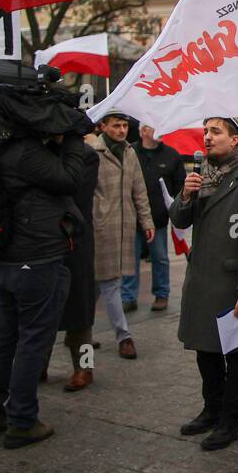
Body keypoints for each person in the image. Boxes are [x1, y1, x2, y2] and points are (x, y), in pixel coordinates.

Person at [0, 126, 91, 448]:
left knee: (2, 339)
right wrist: (74, 137)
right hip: (36, 258)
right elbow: (71, 178)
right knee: (32, 340)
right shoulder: (28, 153)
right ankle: (22, 420)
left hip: (5, 256)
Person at [170, 117, 238, 451]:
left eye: (215, 132)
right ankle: (211, 409)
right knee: (205, 350)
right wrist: (185, 196)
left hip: (233, 283)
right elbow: (178, 219)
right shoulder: (200, 177)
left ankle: (231, 421)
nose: (207, 138)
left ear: (235, 139)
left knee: (237, 355)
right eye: (206, 132)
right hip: (202, 279)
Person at [89, 113, 154, 359]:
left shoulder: (130, 152)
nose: (122, 130)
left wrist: (145, 221)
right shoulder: (93, 152)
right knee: (108, 282)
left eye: (125, 125)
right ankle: (123, 336)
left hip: (124, 227)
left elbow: (139, 190)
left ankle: (78, 331)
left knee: (101, 282)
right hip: (100, 228)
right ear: (103, 126)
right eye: (116, 125)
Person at [123, 123, 185, 312]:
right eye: (155, 127)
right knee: (129, 259)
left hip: (158, 218)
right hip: (132, 218)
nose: (161, 131)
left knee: (160, 258)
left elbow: (179, 186)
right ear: (143, 131)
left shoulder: (171, 155)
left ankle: (161, 294)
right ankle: (128, 297)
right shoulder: (129, 152)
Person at [56, 140, 100, 392]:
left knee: (80, 310)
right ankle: (38, 363)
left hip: (75, 239)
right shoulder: (35, 149)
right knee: (40, 311)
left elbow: (75, 197)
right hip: (39, 240)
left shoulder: (86, 155)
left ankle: (84, 367)